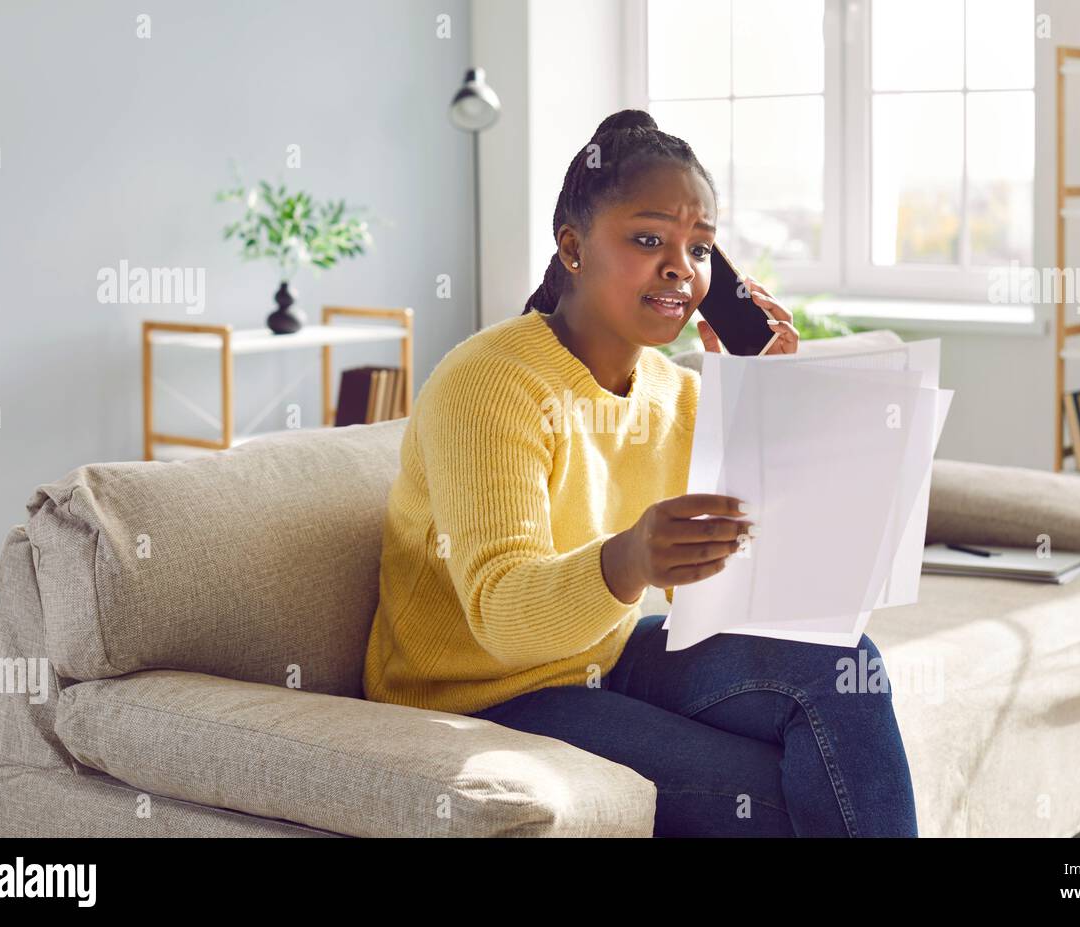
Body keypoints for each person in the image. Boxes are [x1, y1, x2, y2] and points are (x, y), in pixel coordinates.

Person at [362, 108, 918, 837]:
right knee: (781, 792)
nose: (681, 269)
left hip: (606, 655)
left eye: (701, 248)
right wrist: (628, 557)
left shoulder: (677, 391)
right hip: (479, 691)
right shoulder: (490, 383)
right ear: (573, 247)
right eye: (649, 238)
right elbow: (499, 615)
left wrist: (764, 396)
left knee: (846, 665)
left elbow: (763, 563)